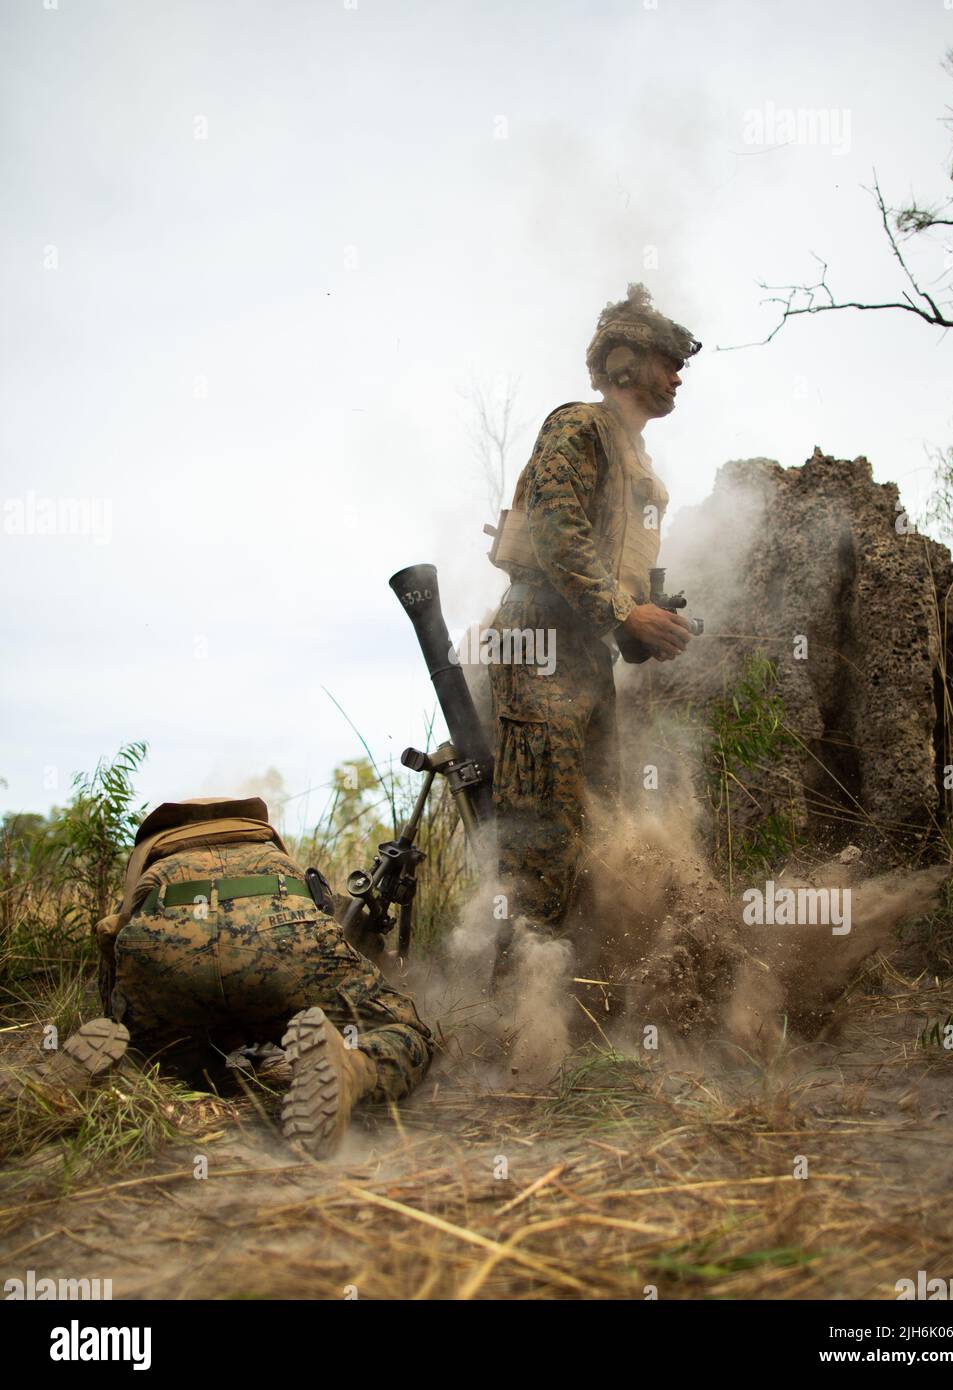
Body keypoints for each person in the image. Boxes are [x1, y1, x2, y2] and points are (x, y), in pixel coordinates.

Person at [486, 283, 700, 955]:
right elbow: (556, 531)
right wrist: (622, 612)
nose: (677, 375)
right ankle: (515, 1010)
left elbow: (612, 573)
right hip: (539, 642)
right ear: (625, 364)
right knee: (542, 835)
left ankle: (573, 995)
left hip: (585, 655)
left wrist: (641, 630)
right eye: (667, 360)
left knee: (598, 823)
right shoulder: (579, 426)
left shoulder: (640, 466)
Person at [80, 795, 433, 1157]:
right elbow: (334, 920)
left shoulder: (153, 858)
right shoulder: (268, 850)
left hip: (166, 942)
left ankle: (118, 1069)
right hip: (283, 937)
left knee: (168, 1063)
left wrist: (118, 1015)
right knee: (407, 1033)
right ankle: (352, 1066)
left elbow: (112, 935)